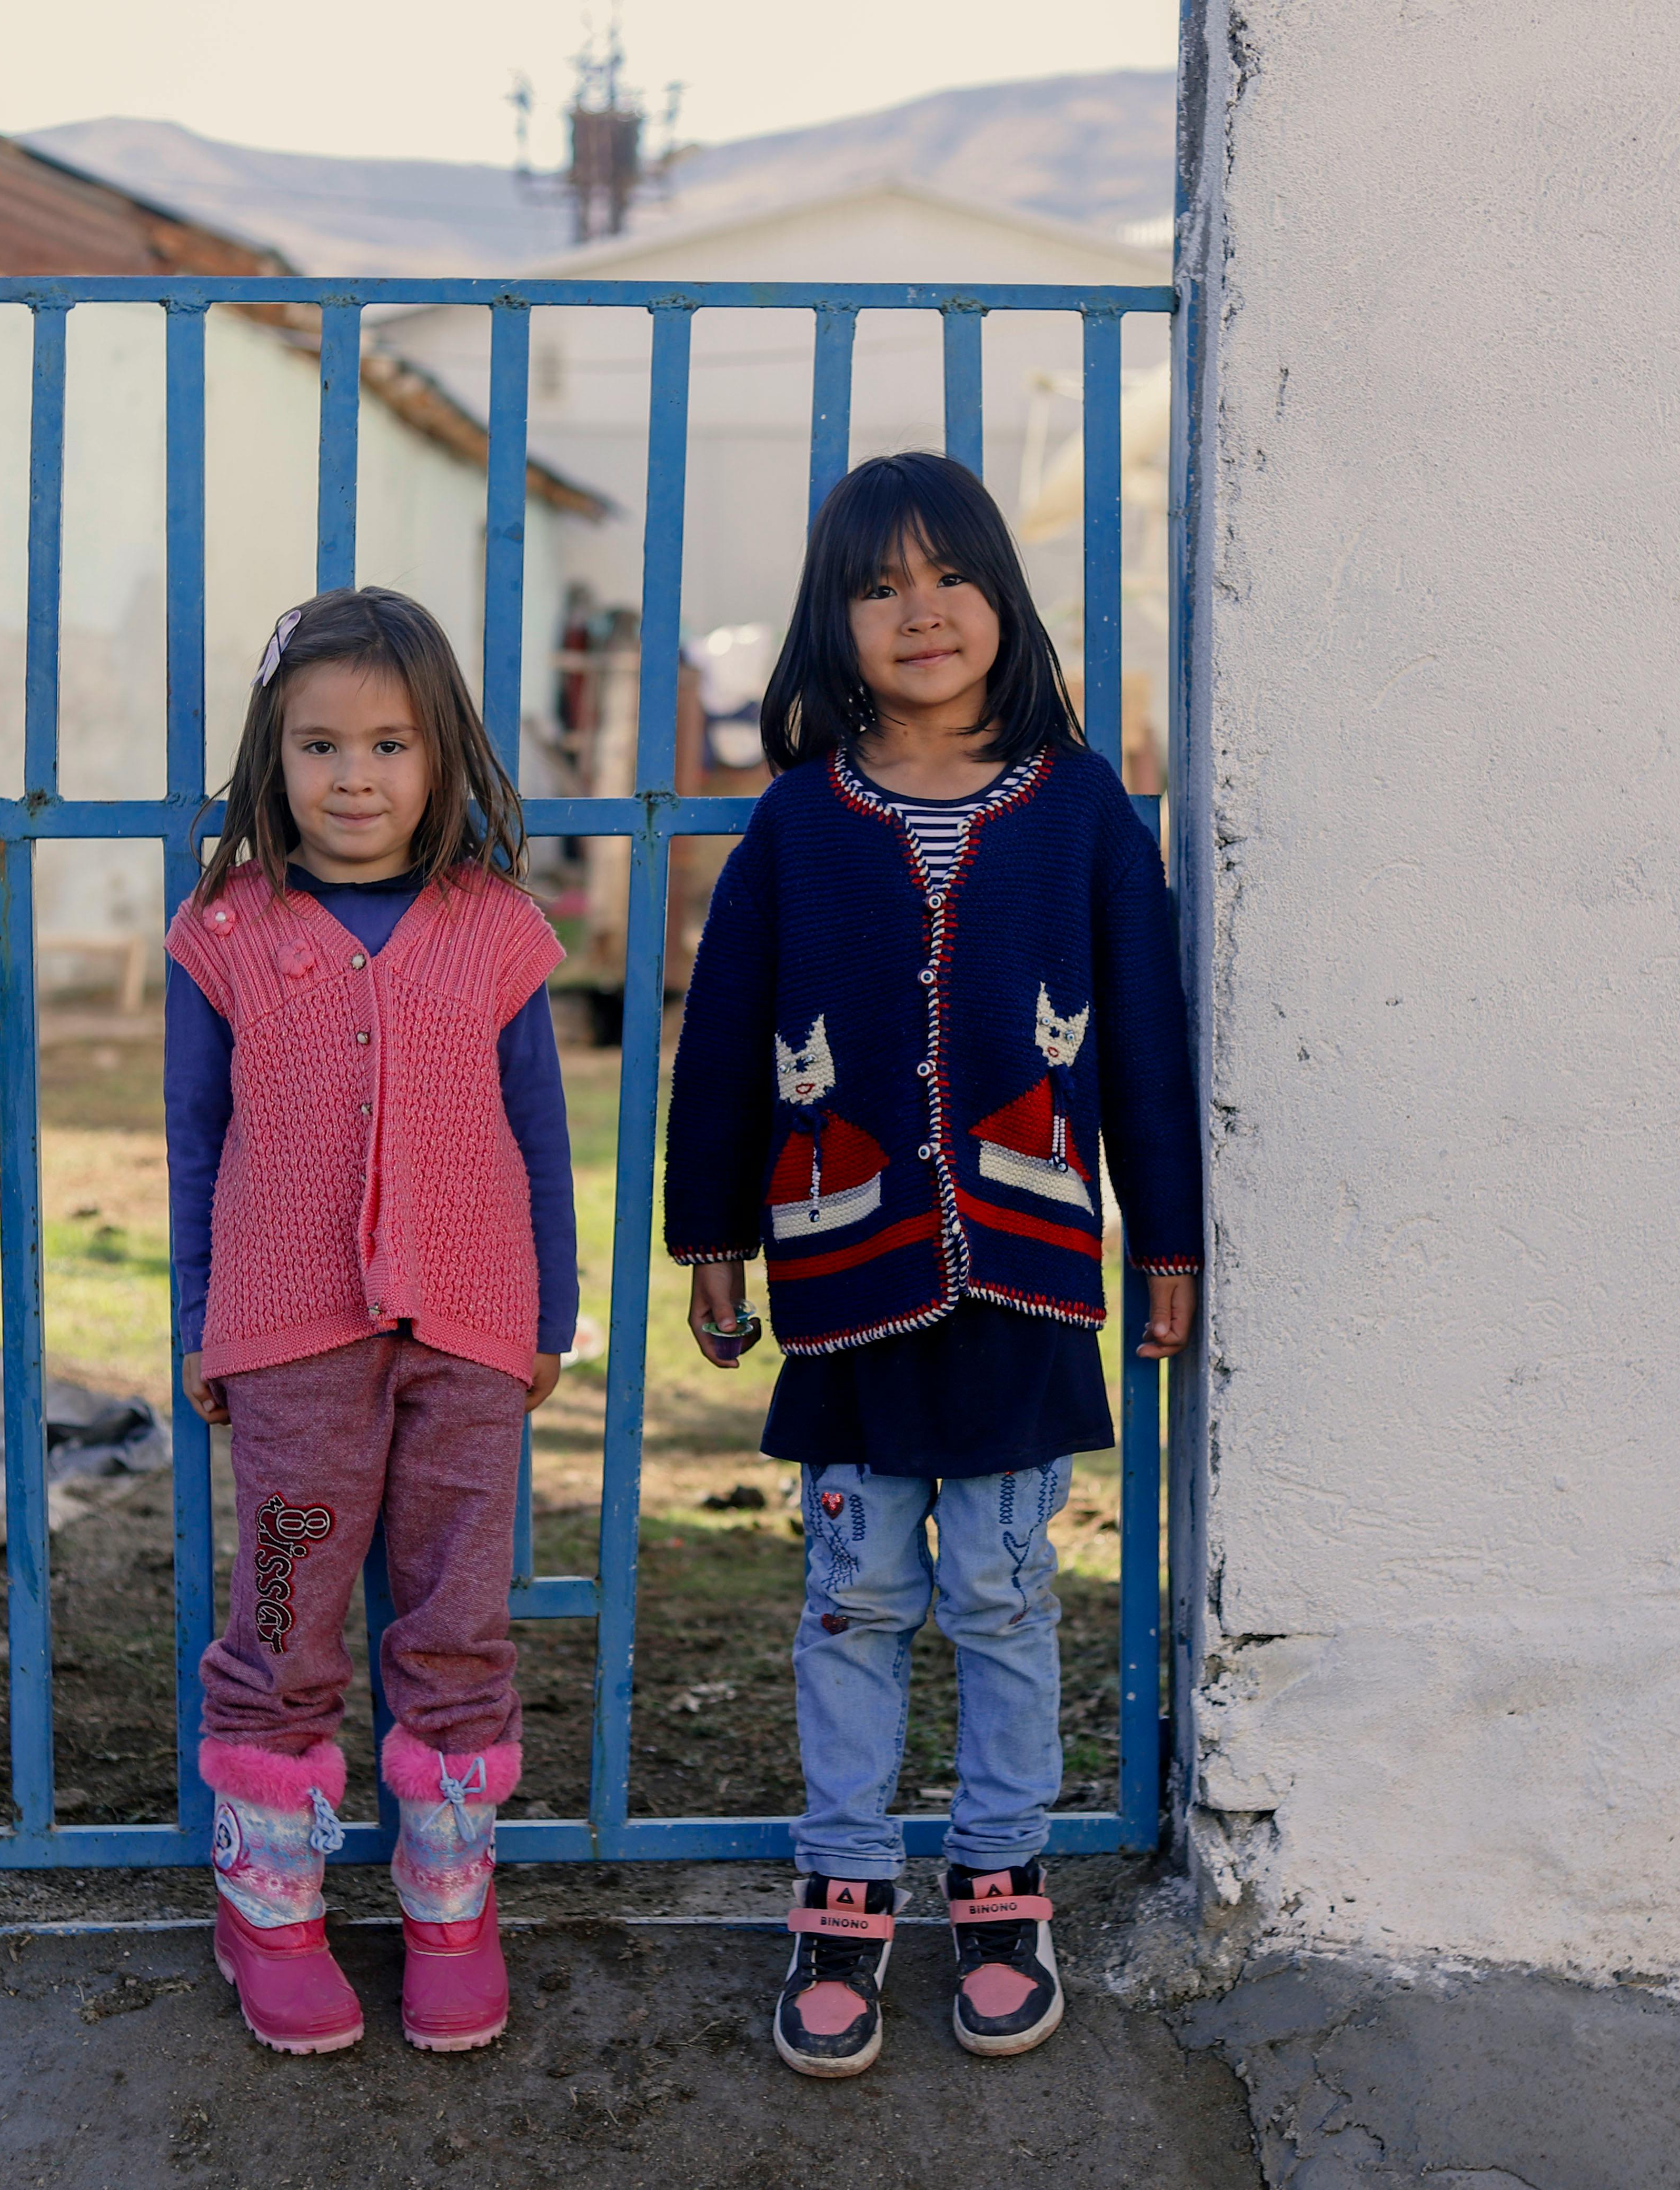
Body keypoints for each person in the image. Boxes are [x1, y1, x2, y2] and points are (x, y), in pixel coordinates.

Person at [661, 452, 1202, 2077]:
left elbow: (1148, 1043)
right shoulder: (801, 826)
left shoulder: (1084, 813)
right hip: (849, 1285)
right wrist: (711, 1234)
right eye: (876, 584)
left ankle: (999, 1884)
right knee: (852, 1596)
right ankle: (841, 1889)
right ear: (832, 626)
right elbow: (724, 1044)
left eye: (948, 576)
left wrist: (1165, 1233)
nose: (919, 610)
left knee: (1003, 1593)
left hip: (1026, 1288)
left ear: (1002, 603)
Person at [165, 586, 574, 2056]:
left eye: (391, 744)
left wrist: (552, 1314)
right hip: (289, 1344)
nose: (354, 777)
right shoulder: (227, 936)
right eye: (320, 745)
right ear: (272, 762)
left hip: (472, 1333)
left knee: (460, 1612)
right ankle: (268, 1894)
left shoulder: (493, 933)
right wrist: (204, 1325)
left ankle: (446, 1886)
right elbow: (196, 1140)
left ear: (444, 756)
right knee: (289, 1607)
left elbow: (539, 1131)